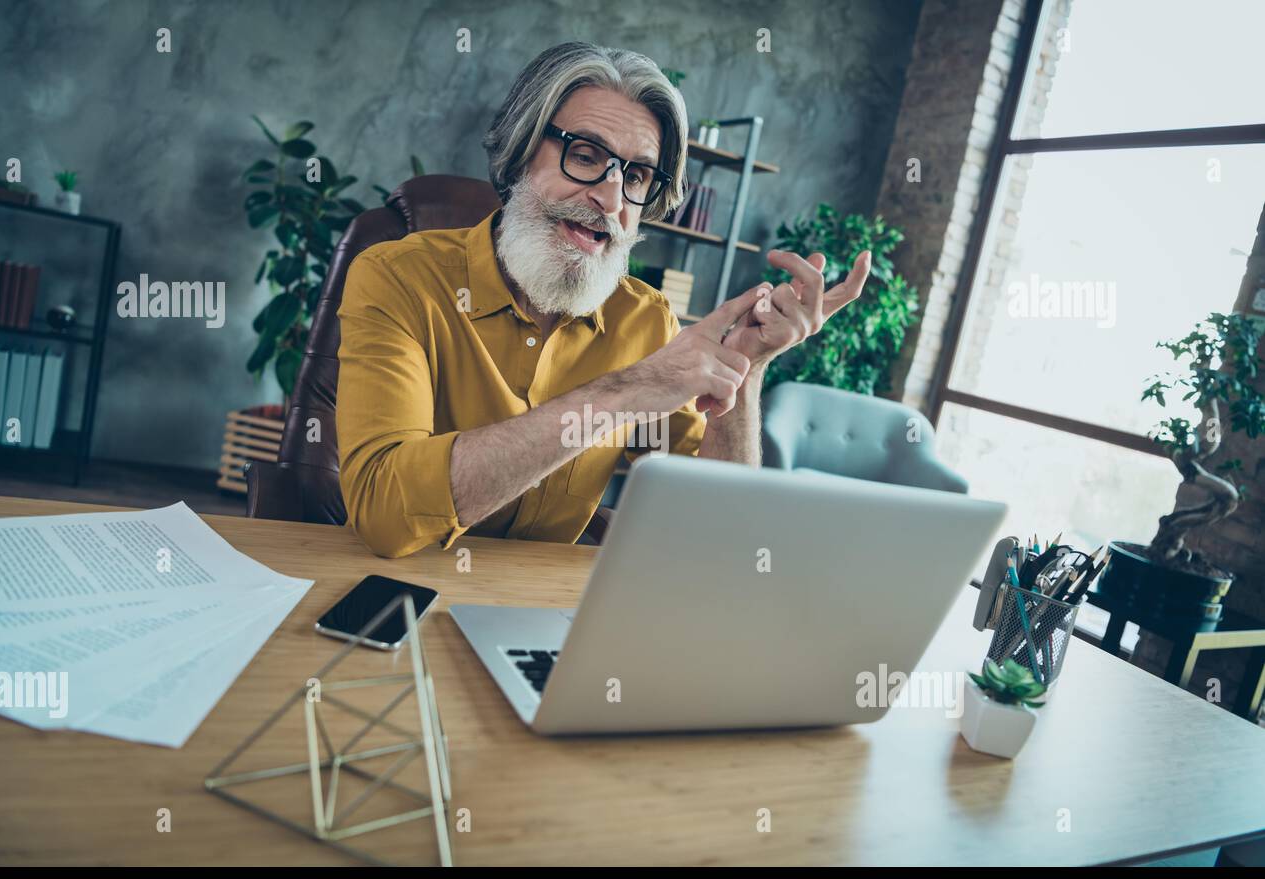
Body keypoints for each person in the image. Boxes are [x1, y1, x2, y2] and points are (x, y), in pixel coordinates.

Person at [337, 41, 869, 558]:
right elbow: (384, 513)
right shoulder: (398, 277)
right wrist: (625, 392)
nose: (611, 199)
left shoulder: (644, 320)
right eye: (585, 155)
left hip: (539, 615)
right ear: (521, 154)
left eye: (636, 176)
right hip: (395, 593)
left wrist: (747, 367)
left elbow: (712, 530)